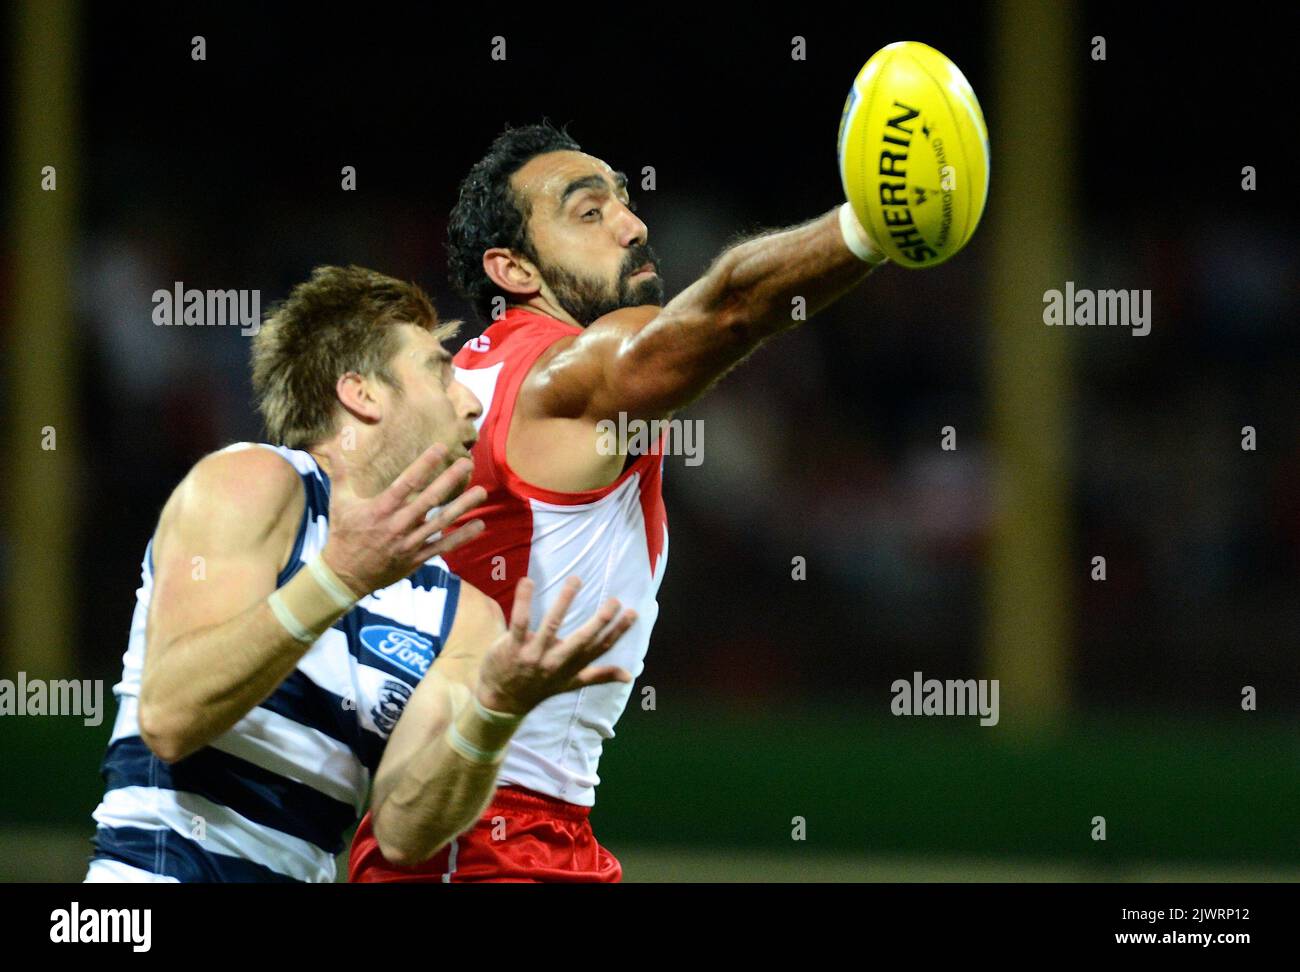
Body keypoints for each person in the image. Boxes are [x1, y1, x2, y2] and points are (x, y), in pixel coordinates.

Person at [348, 122, 889, 882]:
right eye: (588, 212)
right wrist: (872, 224)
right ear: (512, 268)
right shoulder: (560, 378)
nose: (634, 227)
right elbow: (732, 308)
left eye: (626, 204)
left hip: (448, 825)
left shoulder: (451, 388)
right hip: (493, 842)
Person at [84, 265, 635, 882]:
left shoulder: (463, 615)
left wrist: (494, 712)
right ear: (362, 393)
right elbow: (169, 717)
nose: (471, 401)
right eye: (440, 371)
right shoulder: (254, 483)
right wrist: (341, 578)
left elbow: (404, 831)